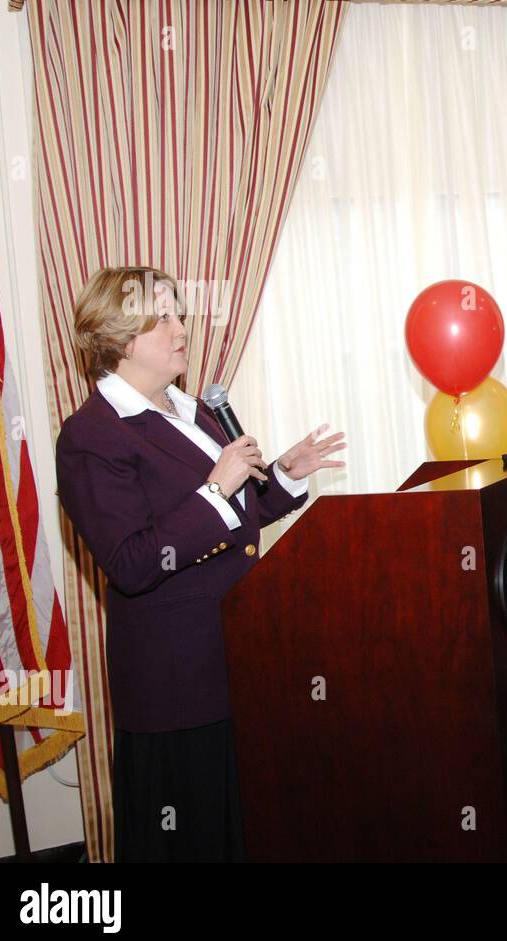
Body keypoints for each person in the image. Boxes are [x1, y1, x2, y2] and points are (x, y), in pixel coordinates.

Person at [55, 266, 347, 860]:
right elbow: (132, 563)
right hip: (178, 685)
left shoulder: (194, 410)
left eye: (179, 314)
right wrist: (215, 489)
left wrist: (283, 474)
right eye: (161, 318)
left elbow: (232, 523)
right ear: (118, 337)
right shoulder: (91, 436)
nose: (181, 328)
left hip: (238, 659)